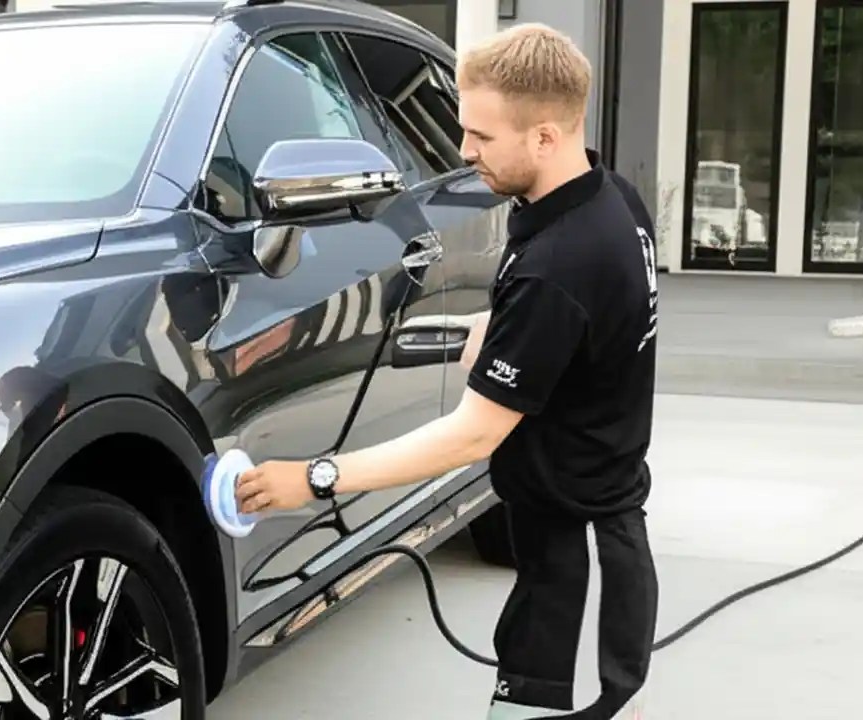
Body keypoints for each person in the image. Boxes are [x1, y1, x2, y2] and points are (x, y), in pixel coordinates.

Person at [233, 22, 660, 720]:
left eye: (483, 138)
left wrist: (313, 478)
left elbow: (469, 437)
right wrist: (502, 334)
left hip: (575, 572)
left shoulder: (560, 268)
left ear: (547, 137)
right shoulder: (612, 199)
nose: (464, 153)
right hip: (587, 532)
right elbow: (596, 328)